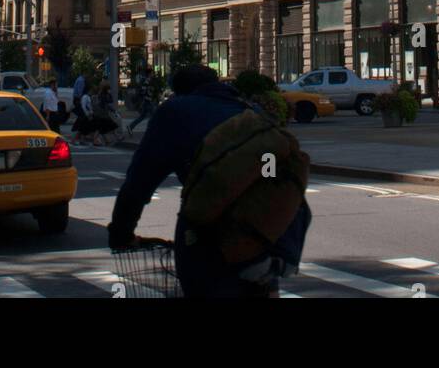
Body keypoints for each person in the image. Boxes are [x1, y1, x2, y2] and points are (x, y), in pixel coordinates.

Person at [108, 65, 310, 299]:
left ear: (179, 91)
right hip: (264, 237)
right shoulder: (251, 113)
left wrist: (121, 233)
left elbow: (140, 182)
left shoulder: (175, 112)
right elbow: (269, 173)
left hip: (212, 243)